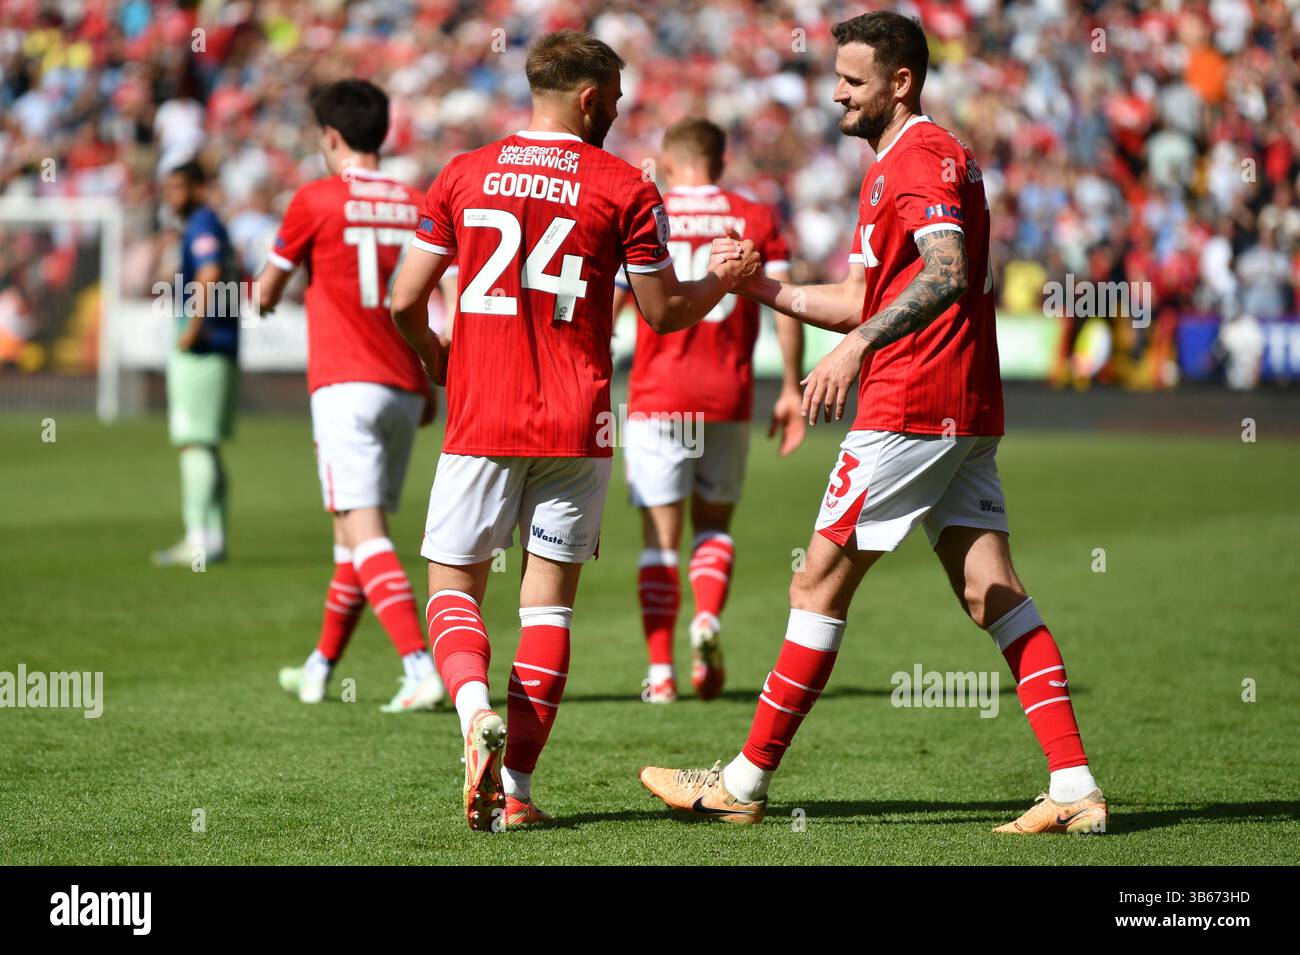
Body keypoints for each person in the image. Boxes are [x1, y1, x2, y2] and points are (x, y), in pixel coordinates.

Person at [640, 11, 1107, 835]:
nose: (837, 94)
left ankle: (742, 782)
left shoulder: (918, 157)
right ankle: (1074, 785)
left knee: (816, 583)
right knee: (992, 589)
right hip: (961, 406)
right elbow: (863, 295)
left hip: (912, 402)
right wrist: (761, 288)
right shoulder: (902, 161)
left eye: (852, 81)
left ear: (901, 81)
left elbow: (946, 272)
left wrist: (857, 347)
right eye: (836, 78)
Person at [389, 30, 760, 831]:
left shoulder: (463, 172)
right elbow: (664, 312)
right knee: (548, 609)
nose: (619, 113)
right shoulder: (626, 185)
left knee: (453, 588)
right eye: (616, 100)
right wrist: (722, 280)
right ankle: (518, 791)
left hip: (482, 413)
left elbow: (402, 299)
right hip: (576, 420)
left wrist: (433, 355)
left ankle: (473, 710)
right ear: (590, 99)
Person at [257, 80, 445, 714]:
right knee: (352, 542)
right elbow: (439, 296)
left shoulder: (314, 198)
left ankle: (419, 666)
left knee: (365, 534)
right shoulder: (416, 202)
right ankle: (319, 668)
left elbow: (266, 290)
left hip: (344, 384)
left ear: (330, 136)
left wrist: (266, 294)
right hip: (404, 387)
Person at [610, 117, 805, 704]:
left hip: (659, 397)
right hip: (726, 396)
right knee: (714, 526)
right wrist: (791, 387)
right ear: (720, 162)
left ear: (669, 162)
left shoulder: (648, 210)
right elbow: (787, 305)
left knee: (659, 540)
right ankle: (708, 618)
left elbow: (613, 306)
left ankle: (660, 675)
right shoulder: (755, 215)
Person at [152, 159, 239, 569]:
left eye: (178, 188)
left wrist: (194, 326)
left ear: (199, 189)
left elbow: (210, 273)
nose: (171, 197)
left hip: (204, 345)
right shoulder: (210, 224)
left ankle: (197, 539)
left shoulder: (202, 222)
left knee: (193, 441)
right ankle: (213, 539)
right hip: (221, 343)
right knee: (207, 443)